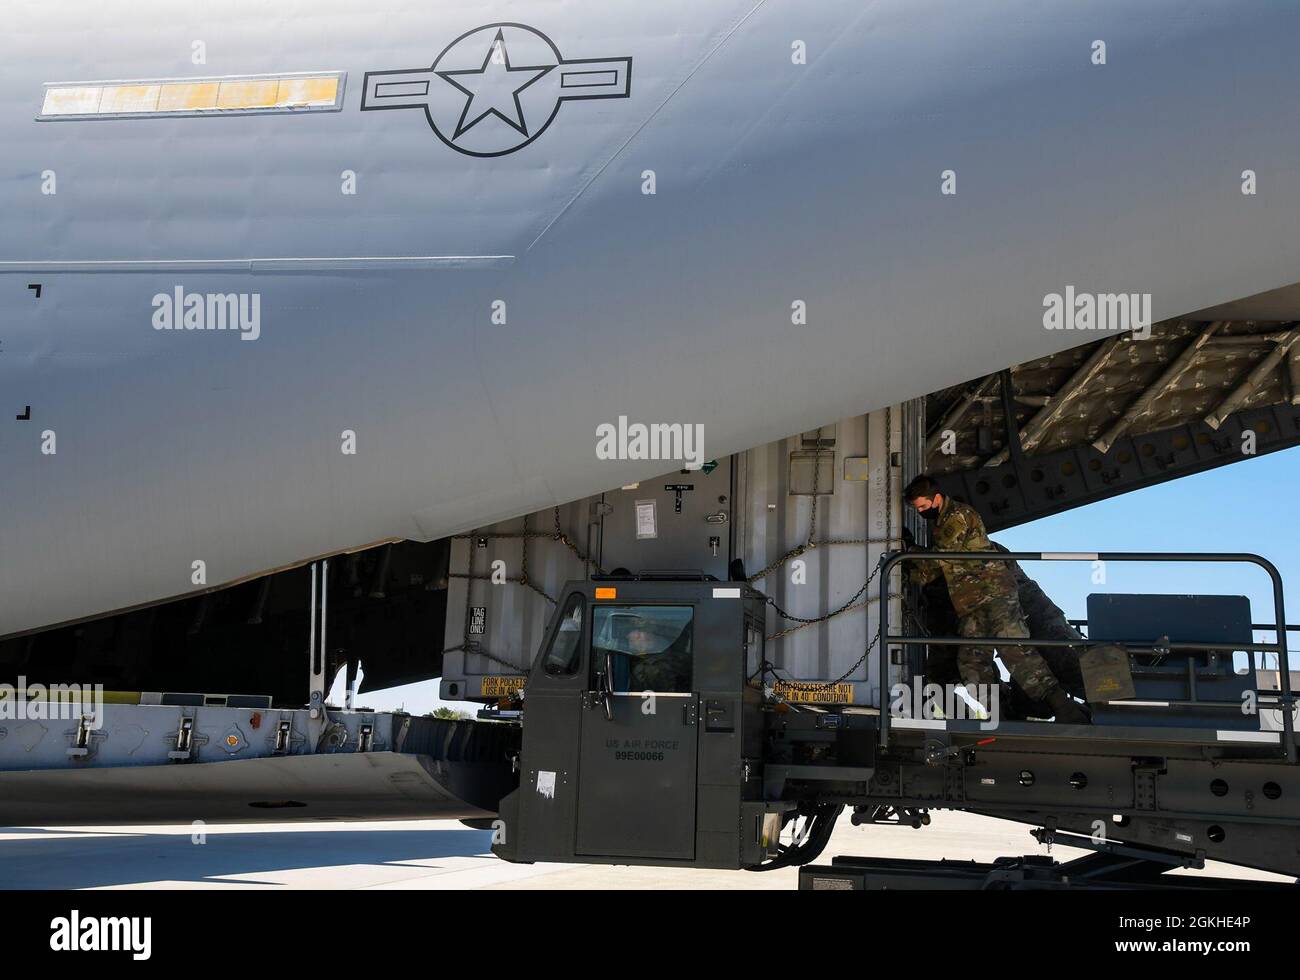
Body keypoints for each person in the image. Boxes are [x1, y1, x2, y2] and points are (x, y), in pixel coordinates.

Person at [903, 474, 1089, 724]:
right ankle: (998, 715)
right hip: (971, 604)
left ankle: (1066, 709)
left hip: (994, 596)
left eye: (923, 507)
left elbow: (940, 559)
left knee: (1016, 652)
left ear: (936, 498)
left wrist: (909, 552)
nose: (921, 512)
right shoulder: (942, 522)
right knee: (972, 662)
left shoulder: (956, 516)